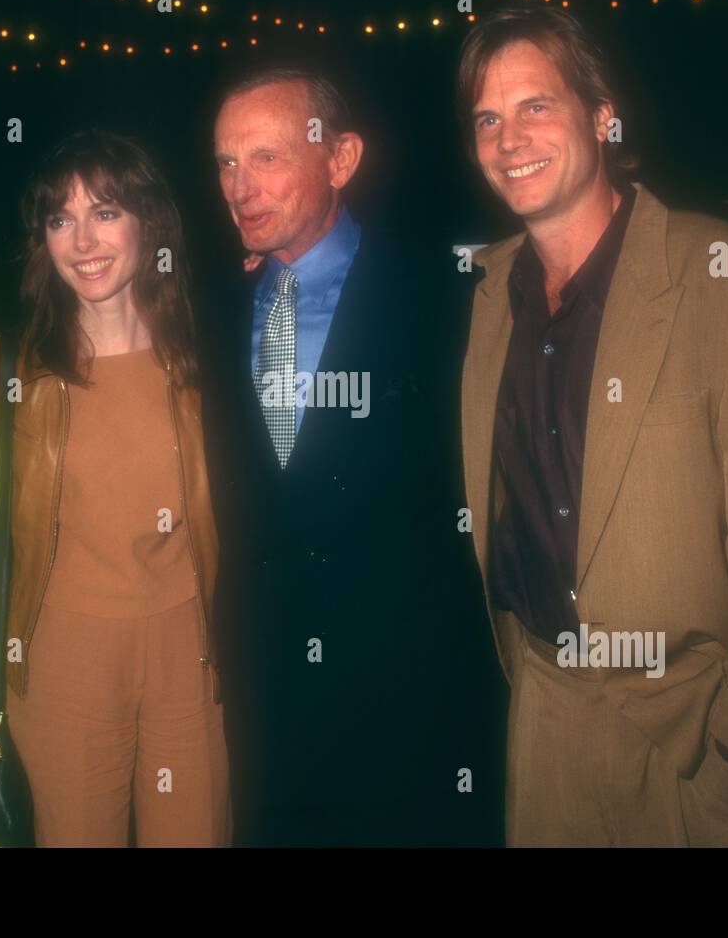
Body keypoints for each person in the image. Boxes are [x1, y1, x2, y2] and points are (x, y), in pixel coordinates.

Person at [455, 7, 728, 846]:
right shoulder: (489, 296)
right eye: (487, 118)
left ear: (604, 117)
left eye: (537, 105)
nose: (508, 137)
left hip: (693, 744)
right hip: (543, 723)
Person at [199, 68, 506, 846]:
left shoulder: (450, 295)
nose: (239, 186)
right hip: (267, 696)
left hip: (410, 698)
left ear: (340, 160)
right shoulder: (208, 305)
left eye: (265, 158)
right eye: (226, 163)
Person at [0, 130, 227, 847]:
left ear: (150, 223)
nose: (82, 240)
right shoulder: (0, 371)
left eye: (105, 211)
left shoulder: (212, 356)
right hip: (62, 659)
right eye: (60, 219)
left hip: (193, 648)